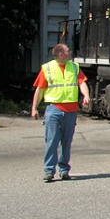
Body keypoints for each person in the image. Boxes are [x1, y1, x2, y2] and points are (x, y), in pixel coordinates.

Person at [31, 44, 91, 182]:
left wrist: (86, 95)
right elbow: (39, 90)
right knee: (52, 141)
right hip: (54, 109)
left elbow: (82, 83)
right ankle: (49, 170)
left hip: (71, 110)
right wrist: (34, 108)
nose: (70, 52)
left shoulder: (74, 67)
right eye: (67, 50)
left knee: (66, 141)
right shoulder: (47, 68)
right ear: (60, 54)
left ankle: (64, 170)